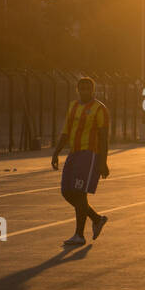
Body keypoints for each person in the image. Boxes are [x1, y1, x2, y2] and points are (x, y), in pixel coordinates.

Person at [51, 76, 110, 246]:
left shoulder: (100, 109)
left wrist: (103, 161)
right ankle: (96, 218)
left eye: (87, 88)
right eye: (81, 88)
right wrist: (56, 152)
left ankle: (79, 234)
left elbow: (104, 137)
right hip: (74, 153)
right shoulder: (73, 106)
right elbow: (66, 131)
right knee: (67, 192)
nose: (84, 91)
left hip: (89, 154)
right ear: (77, 90)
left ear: (93, 90)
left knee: (79, 192)